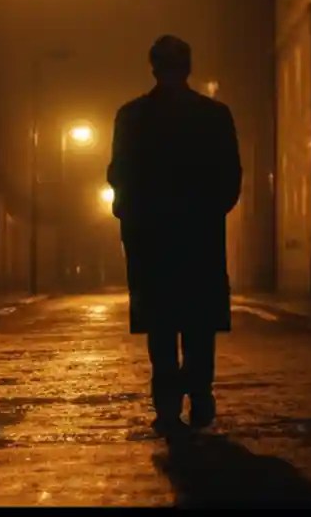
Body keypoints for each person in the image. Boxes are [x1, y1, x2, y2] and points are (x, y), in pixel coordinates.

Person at [107, 34, 242, 435]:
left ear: (153, 67)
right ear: (188, 68)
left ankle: (167, 403)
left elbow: (118, 173)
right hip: (199, 235)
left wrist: (131, 214)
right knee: (199, 322)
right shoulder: (214, 116)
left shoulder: (131, 117)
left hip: (151, 237)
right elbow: (230, 177)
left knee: (161, 323)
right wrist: (209, 210)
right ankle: (199, 393)